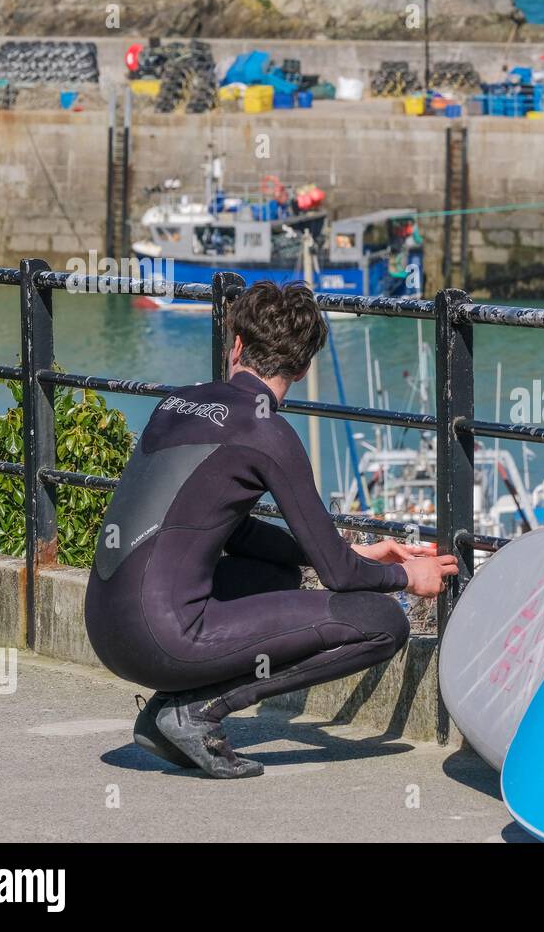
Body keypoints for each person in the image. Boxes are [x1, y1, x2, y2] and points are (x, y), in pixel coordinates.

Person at [84, 280, 458, 779]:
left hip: (106, 624)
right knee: (384, 623)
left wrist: (360, 555)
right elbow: (339, 579)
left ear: (236, 344)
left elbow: (238, 535)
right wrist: (410, 578)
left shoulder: (176, 402)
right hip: (162, 637)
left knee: (276, 573)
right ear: (302, 369)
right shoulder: (267, 431)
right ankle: (194, 712)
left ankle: (177, 709)